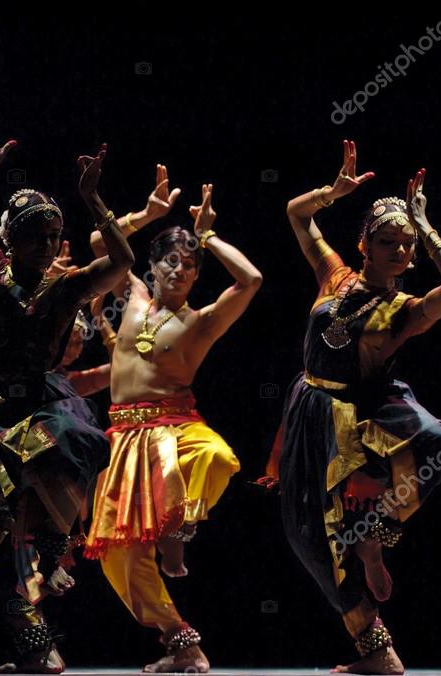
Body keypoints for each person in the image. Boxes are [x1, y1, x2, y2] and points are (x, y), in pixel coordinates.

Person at [0, 117, 134, 673]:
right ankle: (32, 646)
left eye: (53, 236)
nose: (47, 245)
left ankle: (51, 554)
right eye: (34, 236)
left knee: (72, 443)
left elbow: (121, 262)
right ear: (11, 238)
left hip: (36, 403)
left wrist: (94, 199)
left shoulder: (67, 284)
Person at [262, 140, 441, 674]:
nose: (398, 252)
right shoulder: (333, 276)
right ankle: (378, 653)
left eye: (406, 245)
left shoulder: (404, 311)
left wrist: (426, 226)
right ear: (364, 246)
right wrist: (331, 192)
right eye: (386, 241)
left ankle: (376, 534)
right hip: (309, 412)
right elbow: (296, 214)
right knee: (307, 536)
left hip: (360, 415)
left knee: (437, 443)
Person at [85, 176, 263, 674]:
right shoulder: (133, 294)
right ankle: (179, 639)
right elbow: (100, 242)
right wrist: (145, 216)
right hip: (122, 439)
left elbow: (251, 280)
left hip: (175, 424)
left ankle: (178, 525)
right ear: (153, 265)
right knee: (118, 557)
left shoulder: (202, 320)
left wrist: (207, 237)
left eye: (190, 264)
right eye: (171, 260)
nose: (180, 269)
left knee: (218, 457)